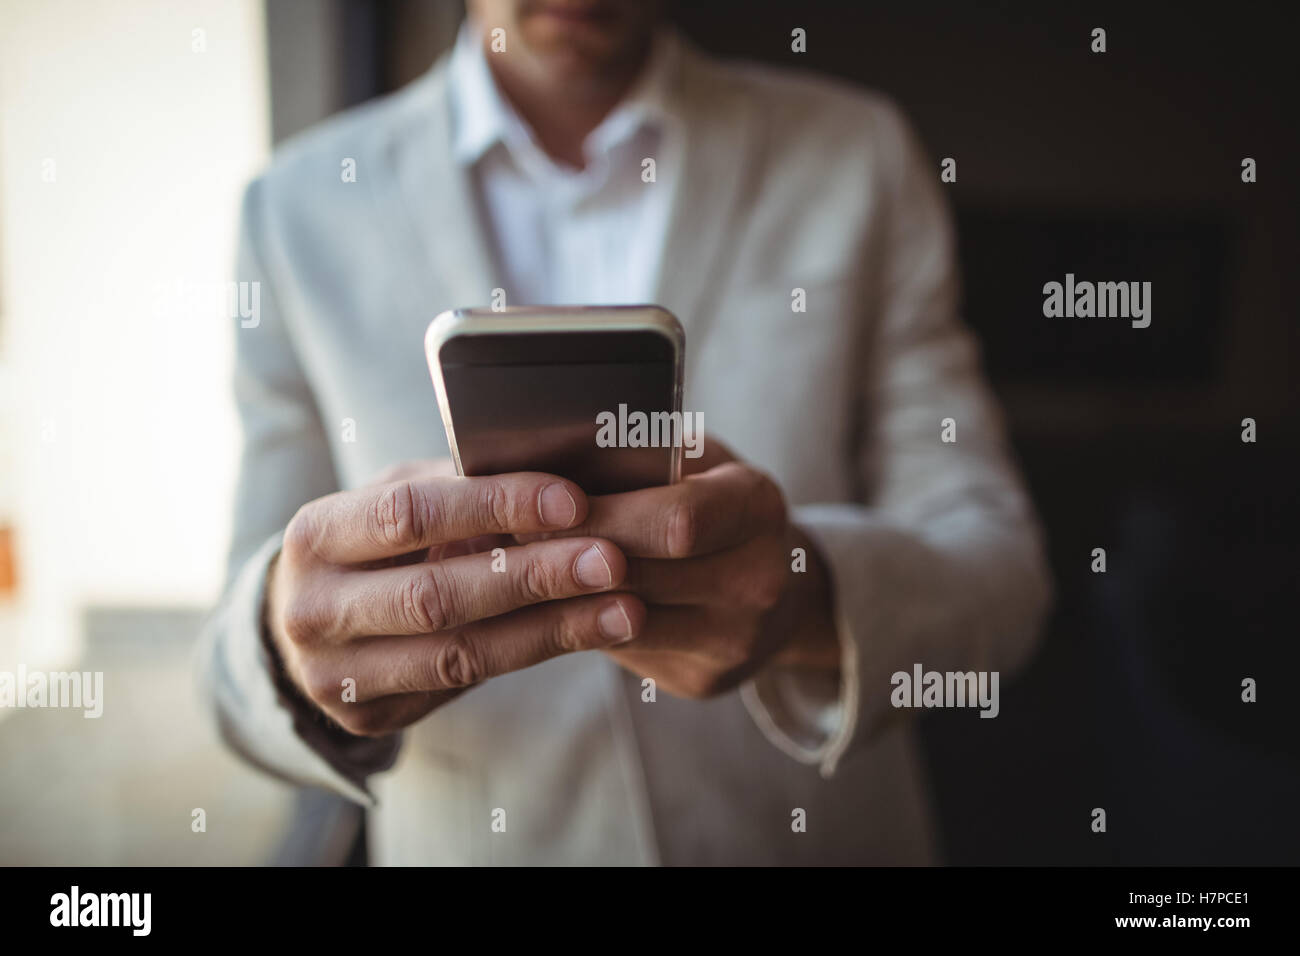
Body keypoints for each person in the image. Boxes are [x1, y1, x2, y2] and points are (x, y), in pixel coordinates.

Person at [199, 0, 1052, 865]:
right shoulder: (295, 209)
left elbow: (1003, 572)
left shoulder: (855, 154)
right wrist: (285, 641)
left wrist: (805, 603)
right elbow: (227, 684)